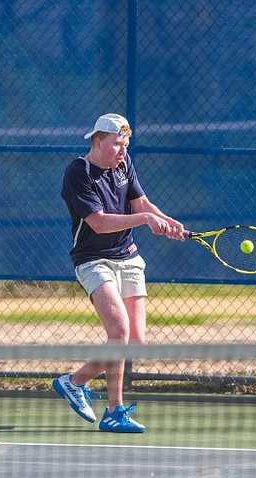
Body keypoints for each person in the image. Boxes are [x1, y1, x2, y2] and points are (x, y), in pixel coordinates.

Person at [54, 113, 185, 433]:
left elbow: (142, 204)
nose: (123, 151)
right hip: (93, 260)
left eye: (125, 144)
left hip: (128, 257)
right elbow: (98, 223)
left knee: (134, 340)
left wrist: (166, 221)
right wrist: (145, 221)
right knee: (119, 332)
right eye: (116, 144)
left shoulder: (124, 164)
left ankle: (74, 382)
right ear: (97, 142)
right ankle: (115, 412)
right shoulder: (78, 173)